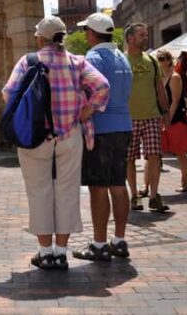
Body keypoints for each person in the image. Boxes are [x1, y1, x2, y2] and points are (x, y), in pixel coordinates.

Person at [3, 16, 109, 271]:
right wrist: (86, 110)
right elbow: (102, 86)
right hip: (69, 134)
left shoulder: (29, 61)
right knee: (67, 191)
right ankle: (61, 253)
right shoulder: (76, 61)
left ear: (41, 38)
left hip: (36, 135)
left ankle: (45, 252)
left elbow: (8, 93)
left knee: (38, 191)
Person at [72, 13, 133, 262]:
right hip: (124, 126)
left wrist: (84, 112)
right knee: (118, 185)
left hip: (101, 128)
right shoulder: (123, 58)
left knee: (98, 187)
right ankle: (119, 240)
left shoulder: (93, 58)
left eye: (86, 31)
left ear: (91, 33)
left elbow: (95, 90)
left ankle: (99, 244)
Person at [124, 23, 171, 213]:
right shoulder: (121, 61)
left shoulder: (151, 60)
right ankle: (134, 195)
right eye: (141, 35)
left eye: (146, 34)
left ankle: (153, 196)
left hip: (152, 116)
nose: (145, 37)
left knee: (154, 156)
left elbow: (160, 88)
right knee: (129, 158)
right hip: (128, 118)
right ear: (130, 38)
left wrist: (166, 112)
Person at [157, 49, 187, 193]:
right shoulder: (159, 78)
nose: (159, 62)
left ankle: (185, 181)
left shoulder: (175, 77)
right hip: (162, 119)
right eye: (158, 59)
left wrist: (167, 120)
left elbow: (176, 101)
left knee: (180, 151)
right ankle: (148, 185)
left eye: (162, 58)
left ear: (168, 60)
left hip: (177, 119)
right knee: (155, 153)